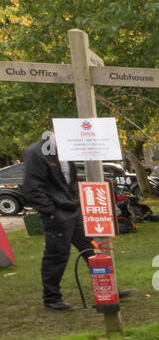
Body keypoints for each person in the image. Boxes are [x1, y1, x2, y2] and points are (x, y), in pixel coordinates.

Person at [22, 130, 95, 310]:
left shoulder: (66, 151)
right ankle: (52, 298)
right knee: (57, 254)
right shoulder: (36, 153)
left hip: (72, 208)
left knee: (91, 248)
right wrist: (49, 210)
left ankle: (107, 286)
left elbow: (69, 180)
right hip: (56, 212)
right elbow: (31, 186)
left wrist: (75, 199)